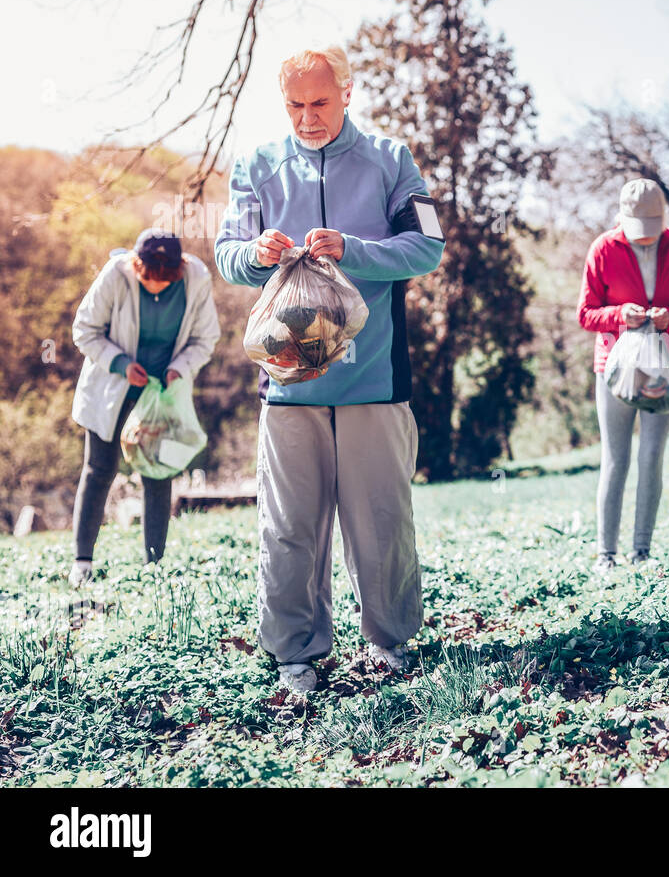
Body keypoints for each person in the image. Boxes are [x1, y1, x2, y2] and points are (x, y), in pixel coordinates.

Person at [214, 42, 444, 694]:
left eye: (319, 102)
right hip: (289, 382)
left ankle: (391, 644)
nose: (307, 117)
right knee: (288, 527)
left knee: (382, 519)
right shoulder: (256, 165)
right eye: (294, 105)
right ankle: (294, 655)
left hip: (376, 377)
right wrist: (255, 255)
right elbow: (227, 254)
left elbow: (428, 245)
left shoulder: (392, 161)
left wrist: (356, 250)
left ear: (347, 93)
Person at [69, 229, 221, 585]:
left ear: (179, 271)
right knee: (99, 468)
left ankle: (154, 565)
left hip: (162, 390)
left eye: (163, 280)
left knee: (158, 471)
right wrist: (121, 364)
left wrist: (179, 369)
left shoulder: (196, 279)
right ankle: (82, 562)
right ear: (136, 265)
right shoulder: (115, 275)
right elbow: (85, 329)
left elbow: (205, 338)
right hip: (113, 384)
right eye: (148, 278)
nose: (155, 286)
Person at [578, 178, 669, 573]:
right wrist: (620, 315)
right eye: (639, 234)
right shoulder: (603, 249)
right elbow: (586, 314)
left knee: (651, 457)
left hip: (666, 366)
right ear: (623, 220)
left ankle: (642, 551)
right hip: (616, 369)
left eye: (652, 233)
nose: (646, 241)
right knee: (615, 460)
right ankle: (606, 555)